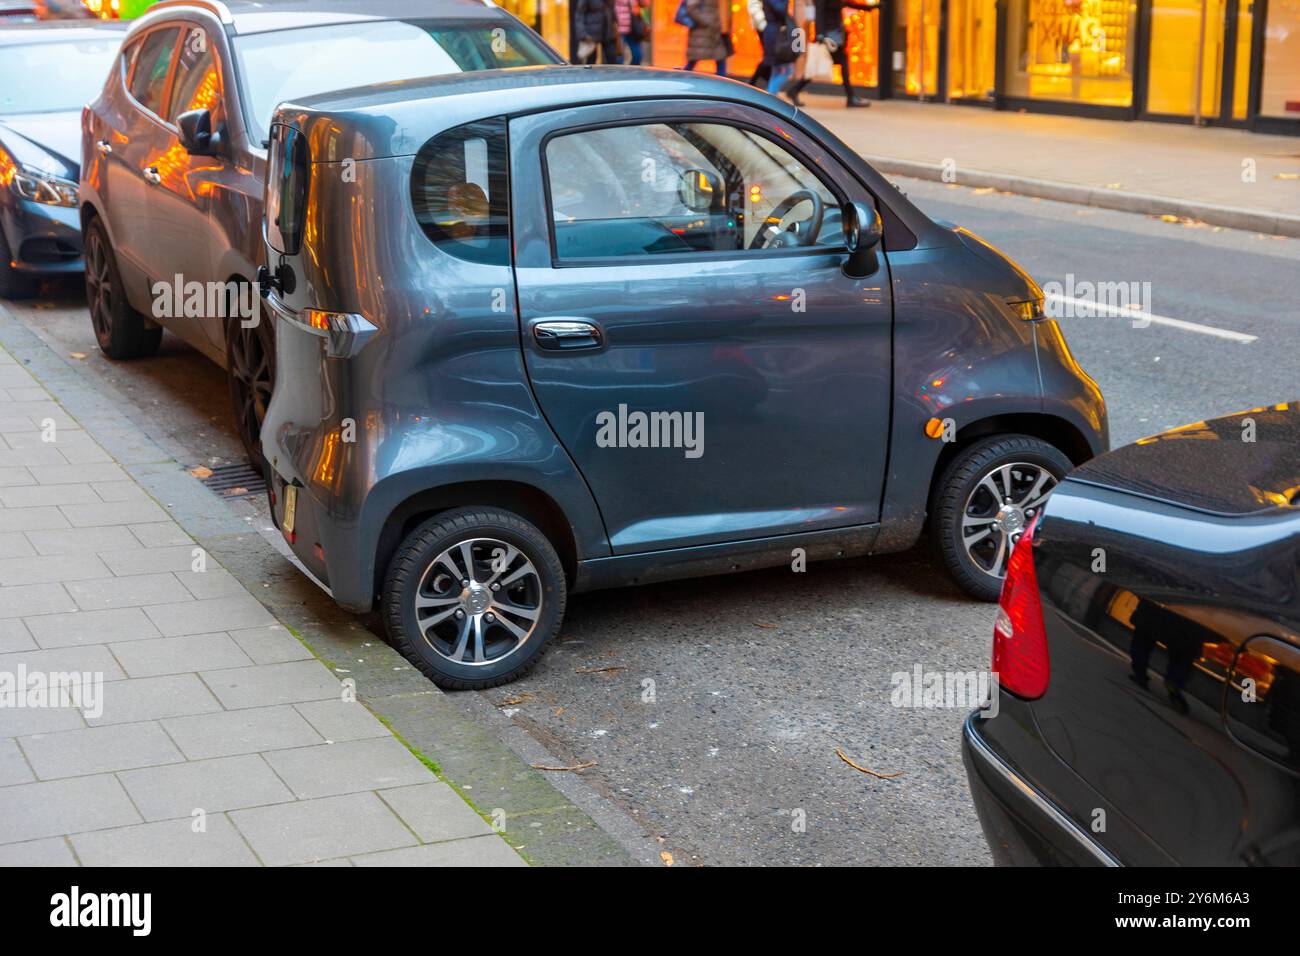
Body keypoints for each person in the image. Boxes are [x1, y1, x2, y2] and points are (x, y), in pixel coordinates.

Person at [783, 0, 875, 107]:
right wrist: (820, 35)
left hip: (834, 33)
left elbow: (845, 3)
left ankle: (794, 90)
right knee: (838, 63)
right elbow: (820, 12)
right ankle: (851, 97)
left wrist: (870, 8)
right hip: (830, 36)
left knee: (821, 65)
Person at [684, 0, 730, 76]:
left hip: (714, 32)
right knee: (693, 60)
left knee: (720, 58)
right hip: (701, 32)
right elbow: (691, 8)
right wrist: (707, 21)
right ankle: (681, 79)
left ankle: (721, 83)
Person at [759, 0, 795, 95]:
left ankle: (770, 96)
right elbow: (781, 9)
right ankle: (769, 96)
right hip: (776, 35)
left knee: (776, 70)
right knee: (787, 71)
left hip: (775, 34)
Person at [575, 0, 619, 64]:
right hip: (591, 35)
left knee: (611, 59)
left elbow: (612, 10)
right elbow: (579, 15)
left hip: (608, 32)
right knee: (590, 62)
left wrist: (616, 25)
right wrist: (583, 34)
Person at [745, 0, 771, 88]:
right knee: (769, 57)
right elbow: (754, 5)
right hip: (764, 25)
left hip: (766, 24)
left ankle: (756, 83)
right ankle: (753, 83)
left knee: (769, 57)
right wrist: (764, 24)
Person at [615, 0, 647, 65]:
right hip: (618, 31)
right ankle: (620, 74)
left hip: (633, 30)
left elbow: (645, 4)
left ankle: (631, 73)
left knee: (638, 56)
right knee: (619, 58)